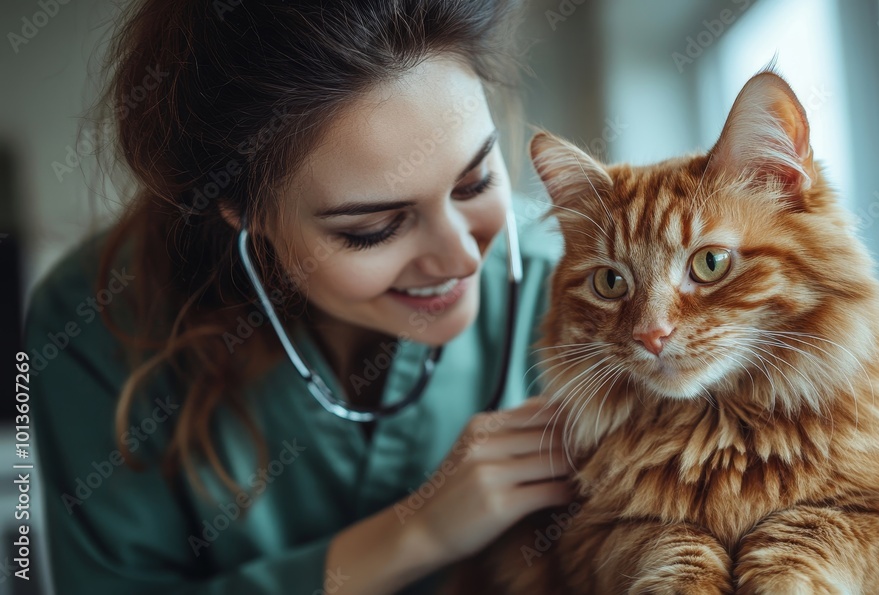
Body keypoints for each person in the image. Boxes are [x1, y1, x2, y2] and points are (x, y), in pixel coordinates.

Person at [22, 0, 574, 593]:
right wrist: (416, 535)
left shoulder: (577, 290)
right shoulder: (93, 319)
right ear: (241, 210)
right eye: (373, 228)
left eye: (476, 181)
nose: (462, 258)